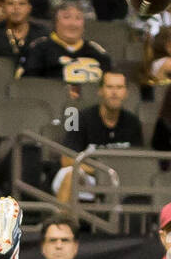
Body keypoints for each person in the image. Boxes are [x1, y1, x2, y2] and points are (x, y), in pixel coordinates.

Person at [54, 69, 142, 203]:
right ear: (100, 90)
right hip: (89, 177)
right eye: (109, 87)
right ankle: (61, 223)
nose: (114, 92)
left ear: (126, 93)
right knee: (70, 174)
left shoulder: (133, 122)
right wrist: (99, 171)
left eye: (119, 87)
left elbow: (138, 161)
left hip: (121, 179)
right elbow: (66, 159)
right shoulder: (79, 118)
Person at [20, 2, 110, 81]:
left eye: (78, 18)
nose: (72, 23)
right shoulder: (38, 49)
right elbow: (28, 86)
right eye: (66, 17)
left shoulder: (97, 52)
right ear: (55, 22)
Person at [0, 0, 48, 65]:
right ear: (3, 7)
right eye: (10, 3)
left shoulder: (43, 33)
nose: (16, 8)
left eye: (21, 4)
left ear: (29, 8)